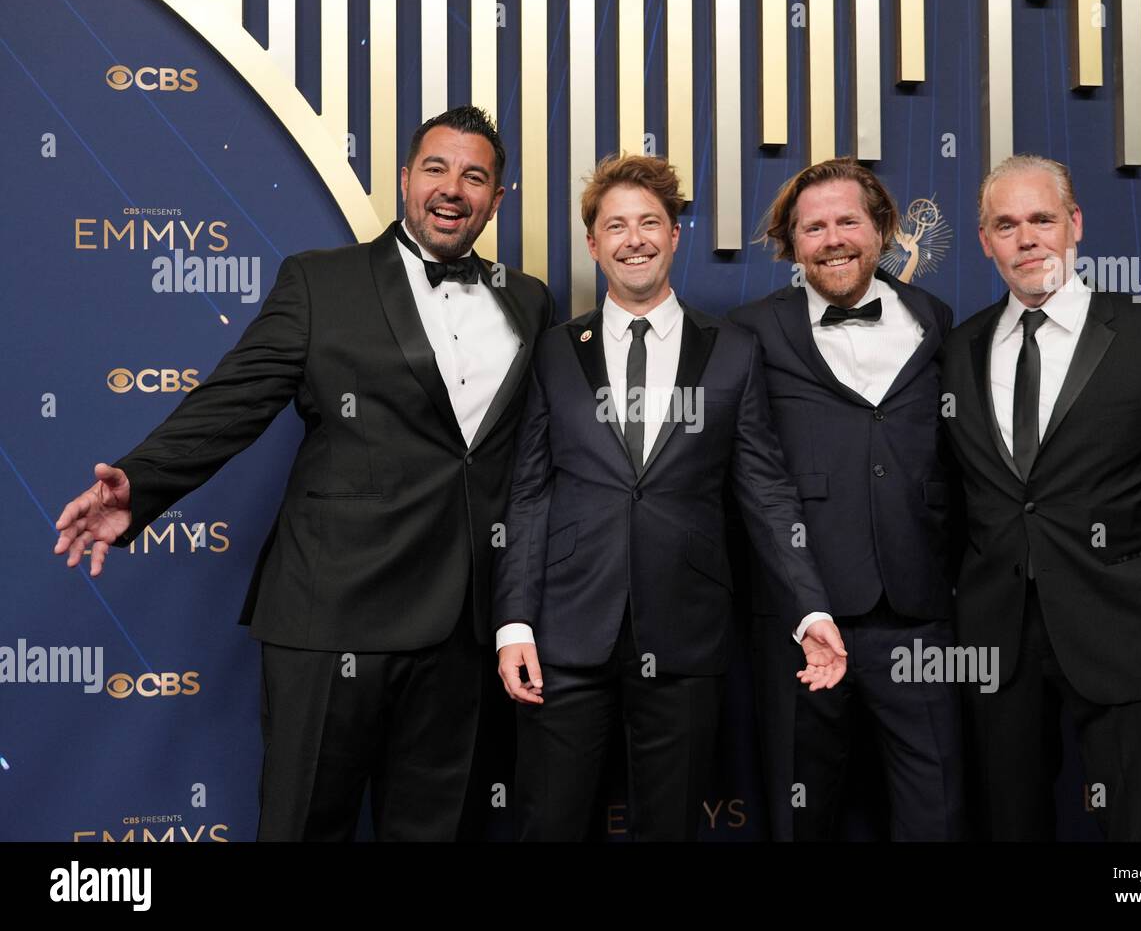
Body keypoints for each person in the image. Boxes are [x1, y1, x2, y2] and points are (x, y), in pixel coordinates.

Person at [52, 106, 554, 841]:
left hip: (462, 627)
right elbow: (235, 399)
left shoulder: (528, 299)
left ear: (497, 200)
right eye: (437, 169)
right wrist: (144, 481)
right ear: (406, 179)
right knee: (303, 827)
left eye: (475, 176)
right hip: (333, 612)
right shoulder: (322, 282)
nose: (454, 189)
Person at [491, 153, 844, 840]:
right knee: (549, 823)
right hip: (566, 632)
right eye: (616, 225)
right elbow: (529, 494)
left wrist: (810, 612)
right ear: (593, 243)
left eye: (650, 222)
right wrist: (514, 624)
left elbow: (766, 492)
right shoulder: (556, 351)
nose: (635, 239)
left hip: (686, 630)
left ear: (675, 234)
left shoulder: (733, 351)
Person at [942, 153, 1141, 841]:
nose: (1026, 238)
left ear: (1075, 225)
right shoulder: (957, 349)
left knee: (1140, 832)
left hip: (1124, 631)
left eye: (1041, 219)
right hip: (994, 641)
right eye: (1006, 224)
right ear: (985, 241)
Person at [729, 158, 964, 841]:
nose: (832, 239)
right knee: (802, 817)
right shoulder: (751, 331)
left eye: (847, 221)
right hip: (802, 621)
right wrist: (802, 608)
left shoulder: (934, 318)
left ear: (883, 228)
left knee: (938, 815)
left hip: (919, 616)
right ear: (791, 242)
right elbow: (751, 475)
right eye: (813, 227)